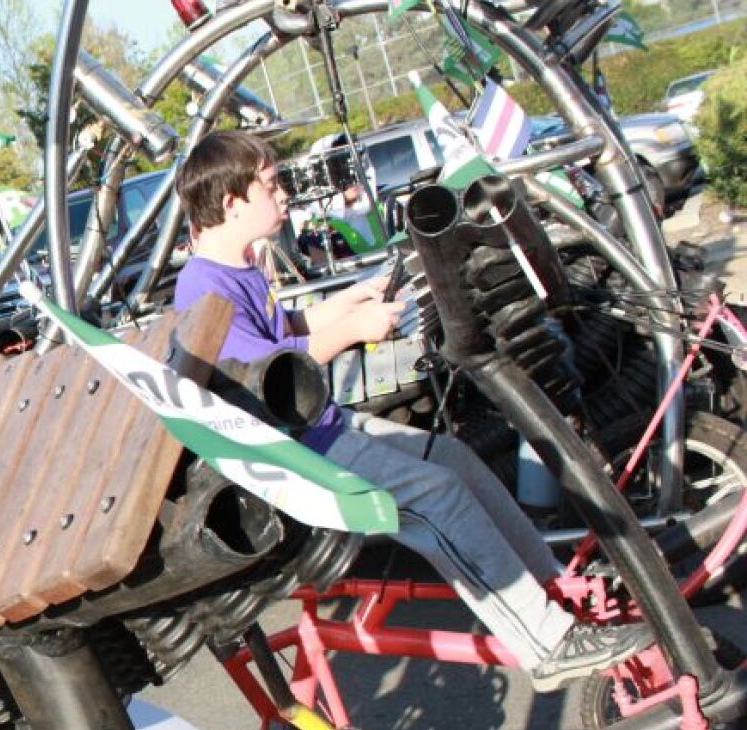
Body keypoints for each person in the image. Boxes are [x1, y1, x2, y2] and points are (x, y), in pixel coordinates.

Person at [173, 131, 653, 692]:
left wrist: (345, 302)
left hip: (316, 431)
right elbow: (268, 375)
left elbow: (280, 331)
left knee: (454, 458)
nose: (284, 195)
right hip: (294, 458)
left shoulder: (237, 267)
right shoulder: (205, 289)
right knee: (436, 496)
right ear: (232, 203)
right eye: (271, 184)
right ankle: (548, 646)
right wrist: (353, 331)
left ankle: (549, 584)